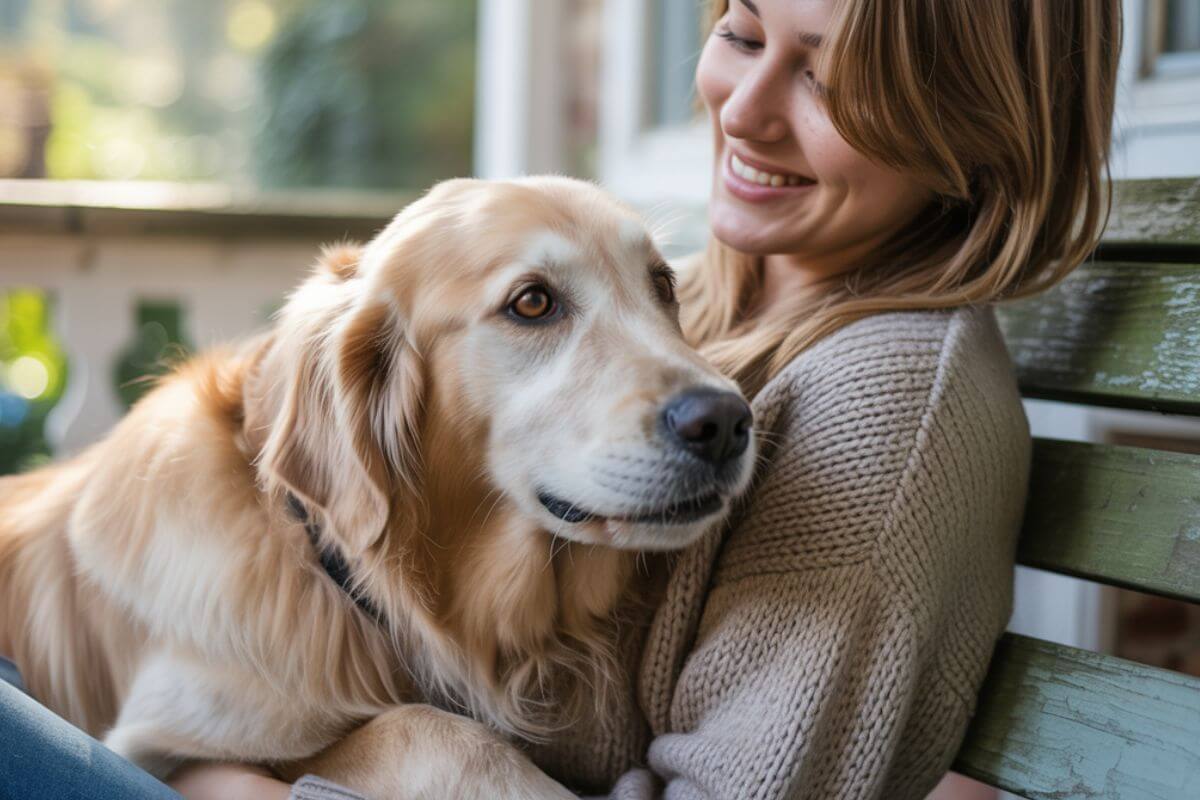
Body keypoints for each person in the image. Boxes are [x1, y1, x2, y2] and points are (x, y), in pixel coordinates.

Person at [2, 1, 1120, 798]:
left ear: (969, 113)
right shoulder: (720, 298)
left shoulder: (885, 414)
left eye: (829, 77)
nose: (747, 109)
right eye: (739, 33)